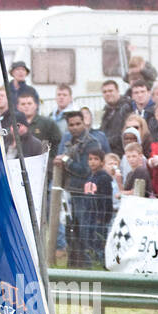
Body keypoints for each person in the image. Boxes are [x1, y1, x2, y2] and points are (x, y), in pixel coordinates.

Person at [54, 110, 96, 265]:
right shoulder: (67, 142)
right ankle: (73, 264)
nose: (75, 127)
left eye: (78, 124)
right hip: (69, 190)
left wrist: (65, 160)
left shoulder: (91, 142)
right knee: (70, 230)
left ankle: (87, 265)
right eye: (71, 125)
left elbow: (85, 170)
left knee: (83, 231)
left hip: (84, 193)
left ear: (84, 123)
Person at [80, 148, 114, 262]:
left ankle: (100, 262)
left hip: (99, 218)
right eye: (90, 159)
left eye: (96, 159)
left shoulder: (104, 178)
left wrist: (102, 218)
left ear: (102, 162)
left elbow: (105, 200)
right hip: (88, 216)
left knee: (99, 241)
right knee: (88, 241)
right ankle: (90, 262)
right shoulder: (90, 178)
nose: (92, 162)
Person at [99, 79, 132, 146]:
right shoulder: (107, 112)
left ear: (117, 91)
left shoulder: (126, 108)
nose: (107, 94)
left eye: (110, 91)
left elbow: (123, 133)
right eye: (104, 92)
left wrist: (105, 142)